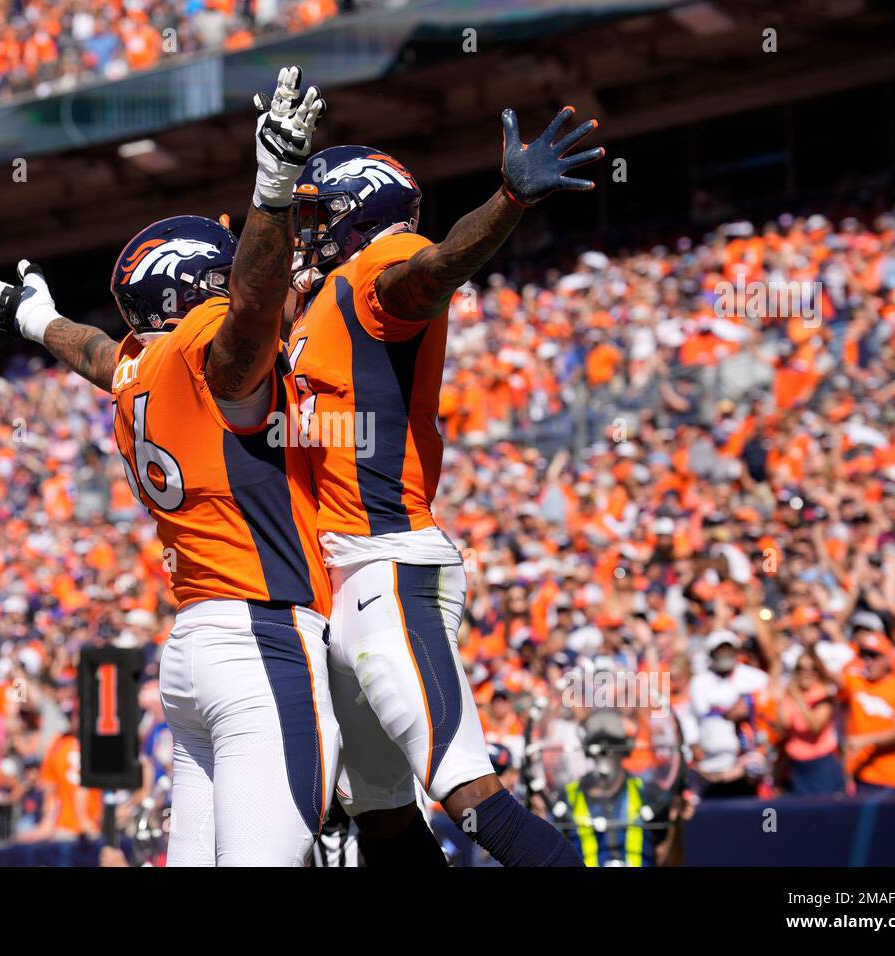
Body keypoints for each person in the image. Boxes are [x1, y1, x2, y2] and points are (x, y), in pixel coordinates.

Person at [0, 66, 336, 865]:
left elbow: (97, 352)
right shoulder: (210, 349)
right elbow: (253, 311)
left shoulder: (140, 363)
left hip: (194, 651)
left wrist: (36, 321)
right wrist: (273, 188)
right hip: (263, 634)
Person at [284, 105, 602, 867]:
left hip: (388, 563)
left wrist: (509, 202)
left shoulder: (378, 270)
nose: (308, 232)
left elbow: (432, 274)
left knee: (470, 797)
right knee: (385, 822)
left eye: (318, 216)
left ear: (362, 213)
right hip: (344, 582)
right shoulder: (319, 301)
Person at [547, 710, 686, 867]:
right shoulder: (566, 799)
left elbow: (667, 860)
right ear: (587, 752)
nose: (605, 756)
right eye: (599, 750)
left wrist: (676, 823)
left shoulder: (648, 795)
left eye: (611, 749)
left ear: (625, 751)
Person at [688, 629, 768, 797]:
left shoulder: (755, 678)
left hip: (746, 758)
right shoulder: (699, 682)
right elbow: (692, 717)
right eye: (720, 651)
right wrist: (694, 743)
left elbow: (765, 713)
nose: (725, 655)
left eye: (728, 650)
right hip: (709, 762)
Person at [839, 624, 895, 795]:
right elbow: (830, 680)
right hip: (861, 773)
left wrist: (865, 740)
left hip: (891, 776)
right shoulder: (856, 681)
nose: (867, 661)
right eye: (864, 656)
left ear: (887, 660)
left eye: (873, 656)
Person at [773, 647, 844, 795]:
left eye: (812, 669)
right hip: (796, 766)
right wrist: (782, 699)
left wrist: (798, 698)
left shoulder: (825, 695)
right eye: (801, 668)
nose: (807, 673)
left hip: (821, 765)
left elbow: (815, 726)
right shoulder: (790, 695)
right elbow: (782, 727)